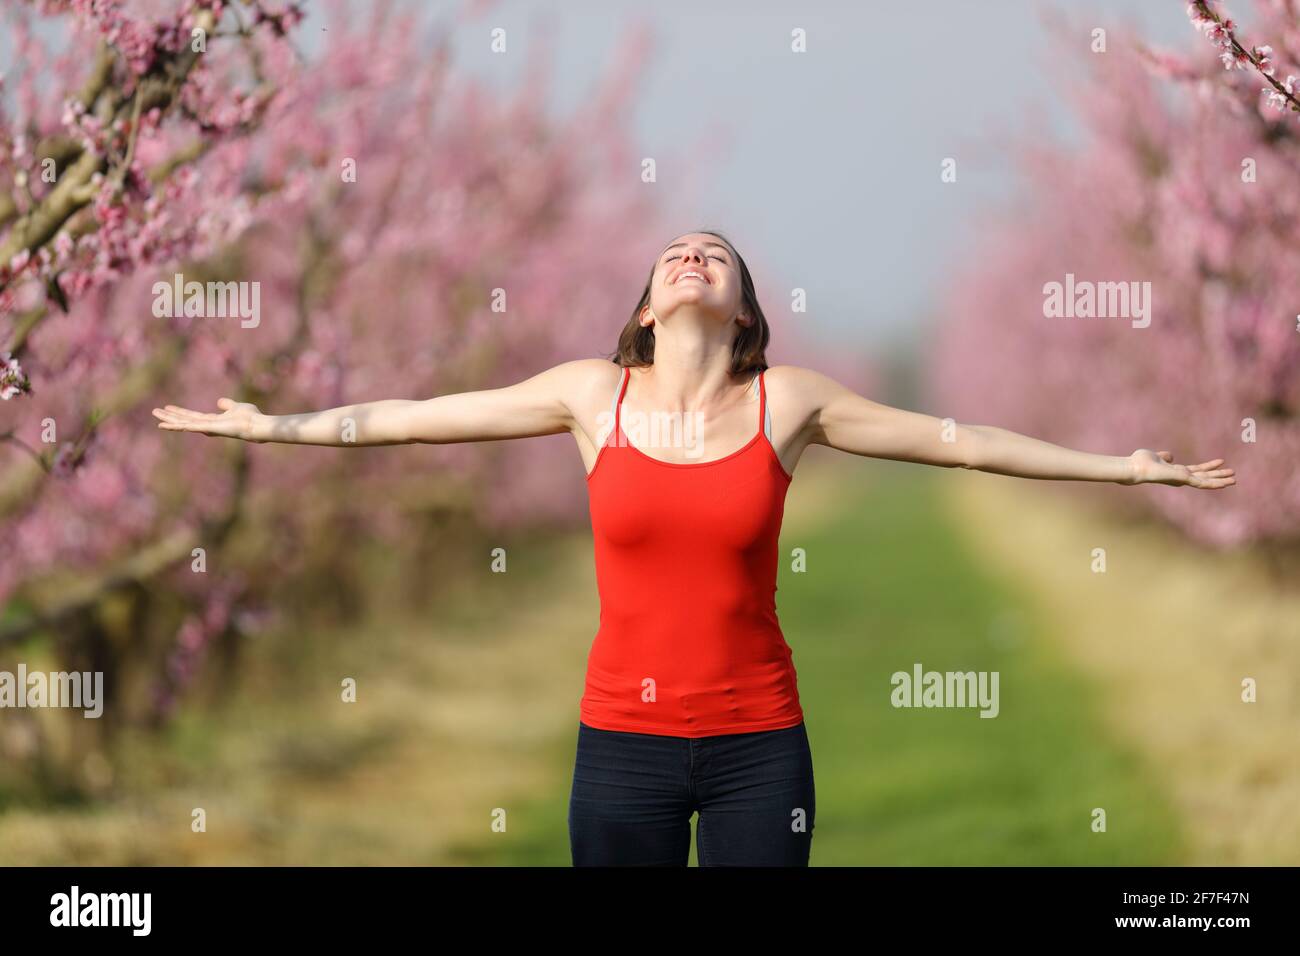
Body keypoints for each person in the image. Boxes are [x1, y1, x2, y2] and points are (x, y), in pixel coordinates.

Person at [153, 229, 1236, 866]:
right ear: (643, 310)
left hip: (761, 744)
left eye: (711, 255)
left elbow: (959, 443)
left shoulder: (787, 404)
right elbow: (416, 414)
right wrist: (274, 427)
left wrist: (1123, 467)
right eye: (673, 252)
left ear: (743, 314)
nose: (689, 256)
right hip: (618, 743)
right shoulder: (590, 395)